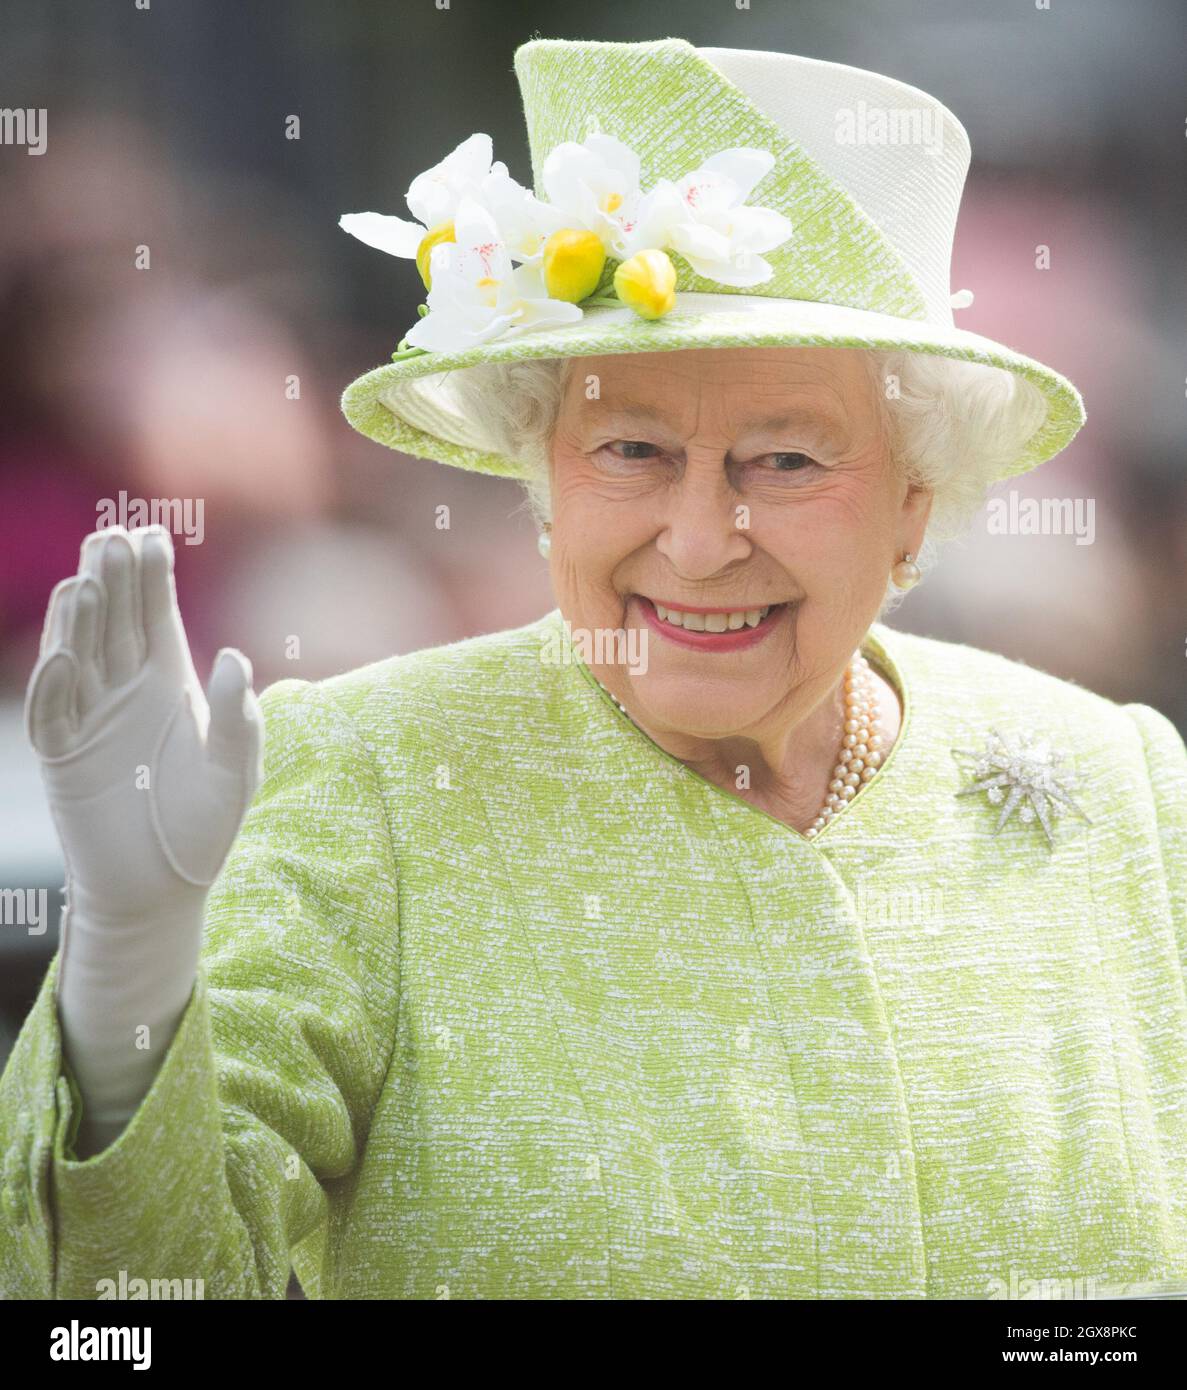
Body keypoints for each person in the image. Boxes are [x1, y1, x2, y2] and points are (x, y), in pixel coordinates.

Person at [3, 36, 1185, 1301]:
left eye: (782, 461)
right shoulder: (367, 786)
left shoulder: (1124, 790)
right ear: (543, 479)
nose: (693, 538)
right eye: (628, 449)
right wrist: (128, 979)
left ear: (912, 503)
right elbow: (120, 1317)